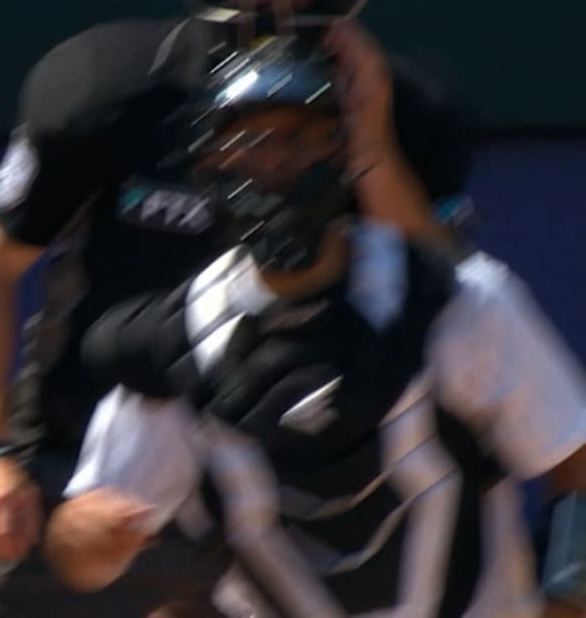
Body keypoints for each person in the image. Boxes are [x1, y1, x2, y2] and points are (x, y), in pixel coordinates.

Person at [0, 0, 468, 617]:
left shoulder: (409, 110)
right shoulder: (111, 86)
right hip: (105, 455)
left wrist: (367, 144)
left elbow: (455, 292)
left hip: (319, 476)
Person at [46, 40, 586, 616]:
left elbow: (574, 458)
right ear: (210, 165)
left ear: (344, 152)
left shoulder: (457, 299)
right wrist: (85, 533)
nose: (276, 166)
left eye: (302, 140)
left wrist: (567, 595)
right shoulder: (173, 342)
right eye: (250, 145)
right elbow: (85, 552)